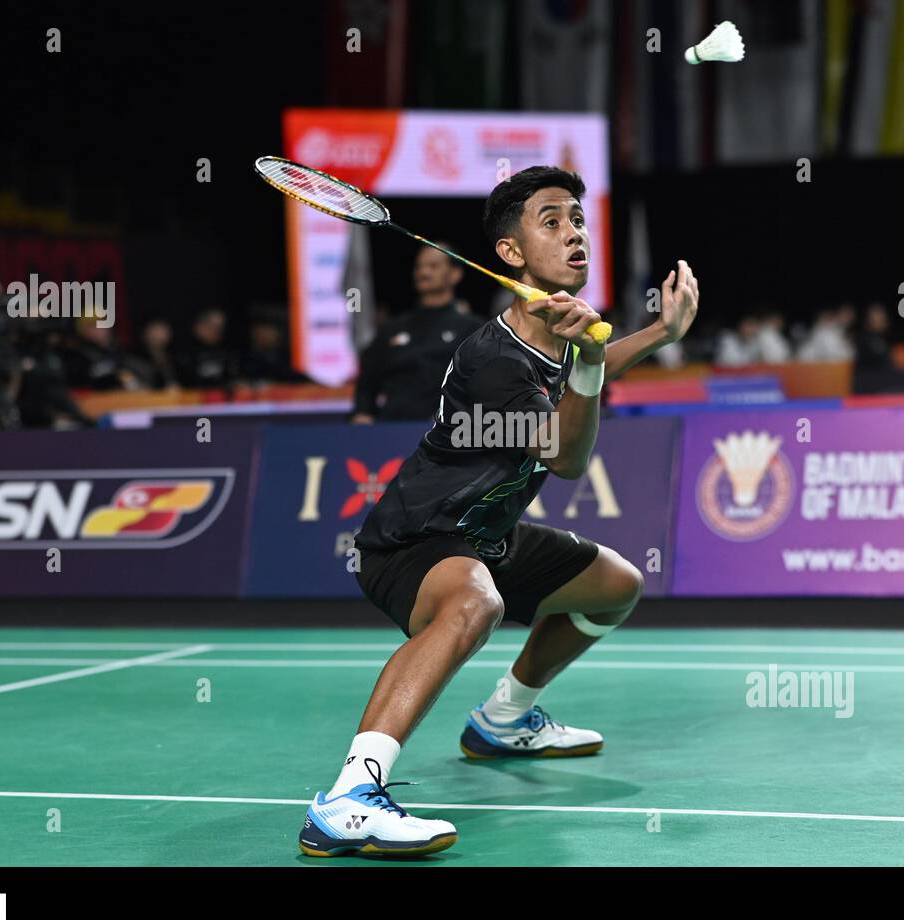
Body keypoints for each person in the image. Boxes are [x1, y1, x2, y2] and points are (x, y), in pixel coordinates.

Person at [297, 166, 699, 858]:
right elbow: (567, 454)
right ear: (509, 254)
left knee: (615, 586)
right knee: (473, 604)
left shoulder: (554, 334)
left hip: (485, 535)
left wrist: (657, 334)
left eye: (576, 218)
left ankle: (503, 720)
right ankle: (349, 797)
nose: (574, 232)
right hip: (413, 541)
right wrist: (593, 358)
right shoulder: (492, 363)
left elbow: (582, 375)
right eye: (551, 222)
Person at [350, 244, 485, 423]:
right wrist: (363, 413)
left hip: (445, 435)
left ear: (455, 274)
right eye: (419, 266)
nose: (423, 272)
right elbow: (367, 382)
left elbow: (486, 387)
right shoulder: (391, 329)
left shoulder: (474, 329)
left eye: (433, 266)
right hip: (390, 433)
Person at [174, 308, 235, 389]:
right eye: (212, 327)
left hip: (221, 397)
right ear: (199, 327)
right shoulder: (185, 351)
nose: (217, 331)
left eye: (220, 328)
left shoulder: (227, 350)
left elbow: (232, 378)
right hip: (194, 397)